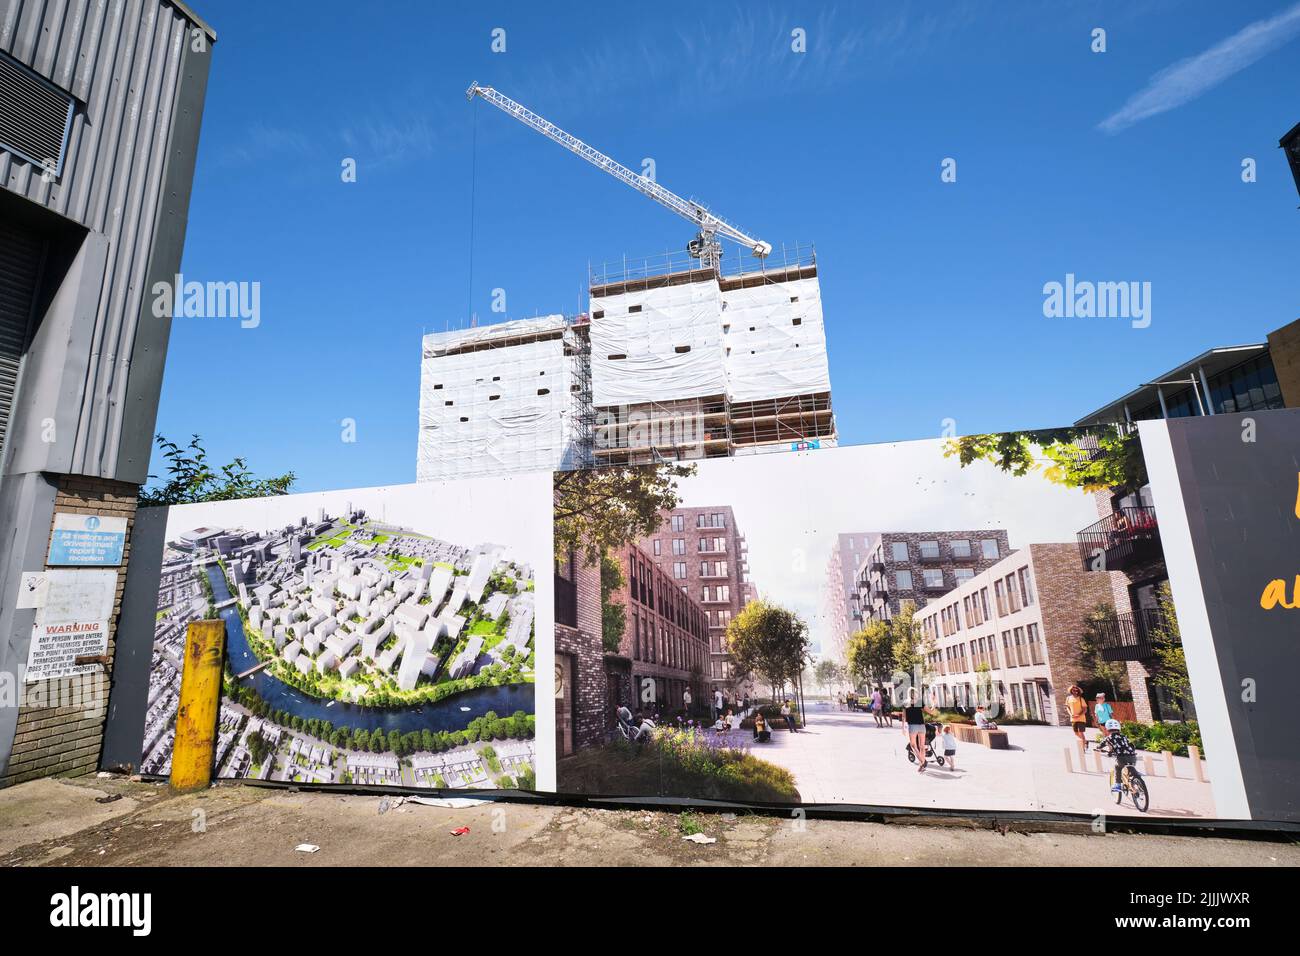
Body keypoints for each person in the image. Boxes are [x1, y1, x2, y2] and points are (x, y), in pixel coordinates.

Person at [1103, 719, 1138, 794]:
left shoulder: (1109, 738)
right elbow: (1131, 745)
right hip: (1133, 756)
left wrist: (1097, 748)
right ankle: (1137, 778)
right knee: (1130, 766)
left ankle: (1118, 785)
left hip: (1121, 758)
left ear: (1107, 729)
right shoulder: (1124, 737)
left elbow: (1101, 745)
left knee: (1117, 767)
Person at [902, 688, 929, 772]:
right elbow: (930, 711)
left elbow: (903, 716)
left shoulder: (905, 703)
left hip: (913, 726)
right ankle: (922, 766)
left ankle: (922, 761)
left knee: (913, 745)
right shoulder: (920, 702)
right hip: (922, 726)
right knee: (922, 746)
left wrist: (903, 727)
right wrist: (934, 704)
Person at [1066, 685, 1089, 751]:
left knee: (1081, 732)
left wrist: (1078, 715)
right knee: (1076, 733)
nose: (1075, 691)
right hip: (1073, 719)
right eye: (1073, 690)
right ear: (1071, 691)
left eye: (1076, 690)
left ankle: (1083, 747)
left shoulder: (1081, 699)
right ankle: (1085, 741)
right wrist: (1071, 714)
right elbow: (1068, 707)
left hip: (1081, 718)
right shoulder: (1068, 698)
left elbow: (1085, 709)